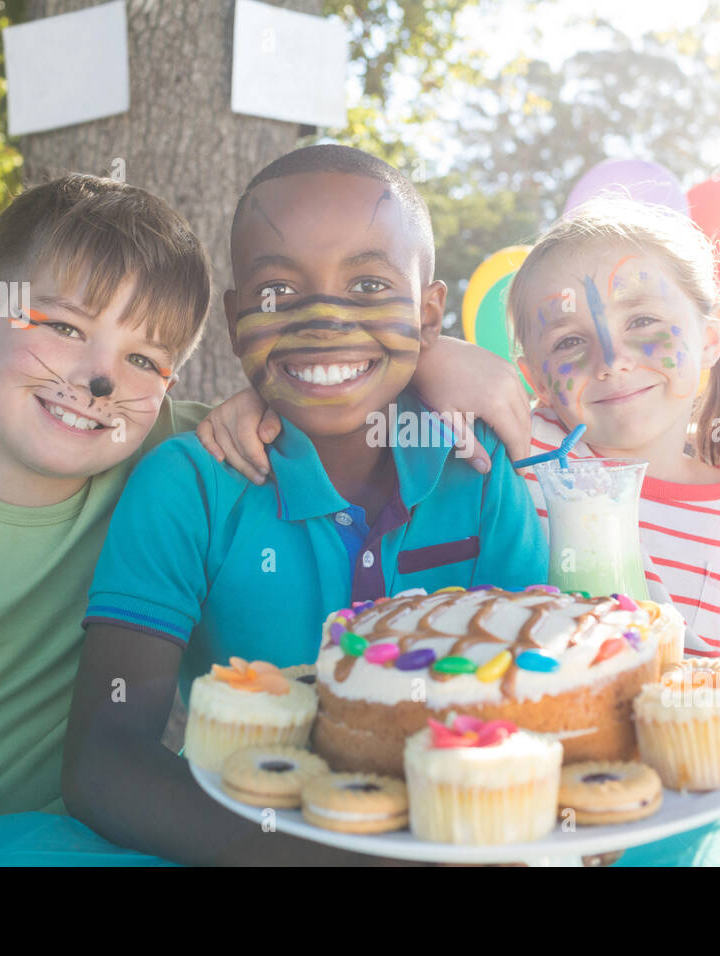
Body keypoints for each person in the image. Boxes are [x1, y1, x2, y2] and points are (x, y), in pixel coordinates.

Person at [0, 172, 528, 830]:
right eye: (63, 327)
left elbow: (311, 383)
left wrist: (437, 356)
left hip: (84, 840)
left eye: (142, 358)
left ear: (166, 385)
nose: (100, 379)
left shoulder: (177, 443)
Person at [63, 145, 547, 865]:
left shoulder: (477, 469)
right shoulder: (189, 485)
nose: (323, 320)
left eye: (369, 283)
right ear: (233, 321)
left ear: (429, 313)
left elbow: (537, 703)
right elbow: (104, 761)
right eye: (278, 293)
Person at [507, 197, 720, 699]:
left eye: (640, 322)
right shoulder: (524, 450)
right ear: (535, 381)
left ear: (709, 339)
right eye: (569, 342)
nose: (612, 361)